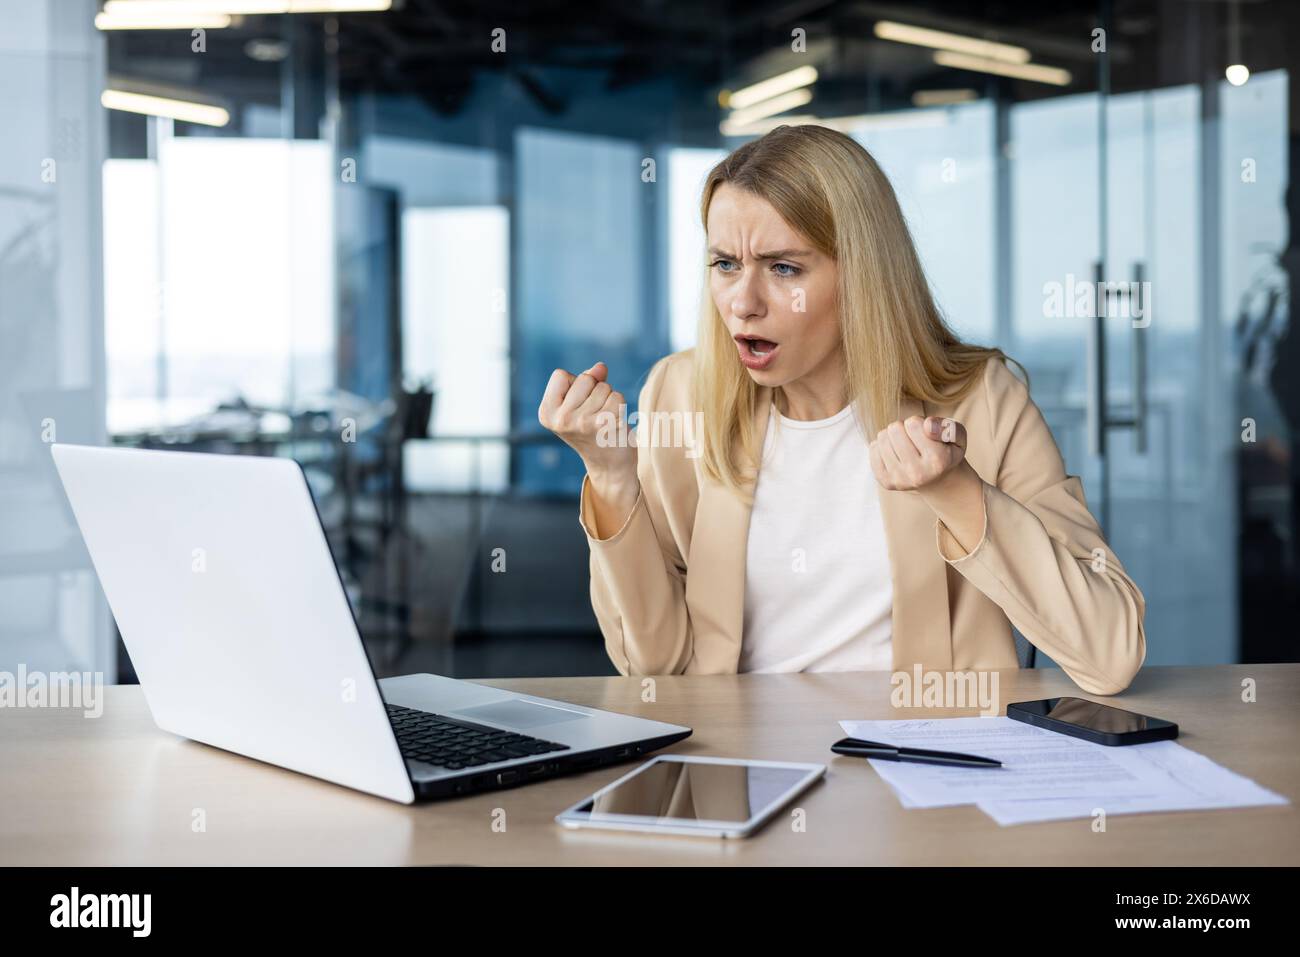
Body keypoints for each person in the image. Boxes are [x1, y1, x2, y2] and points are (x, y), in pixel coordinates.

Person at [537, 124, 1146, 695]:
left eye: (783, 268)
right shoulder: (679, 395)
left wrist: (959, 490)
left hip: (931, 768)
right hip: (738, 769)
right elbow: (655, 666)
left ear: (862, 275)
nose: (742, 303)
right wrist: (613, 478)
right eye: (725, 264)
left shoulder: (983, 399)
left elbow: (1109, 654)